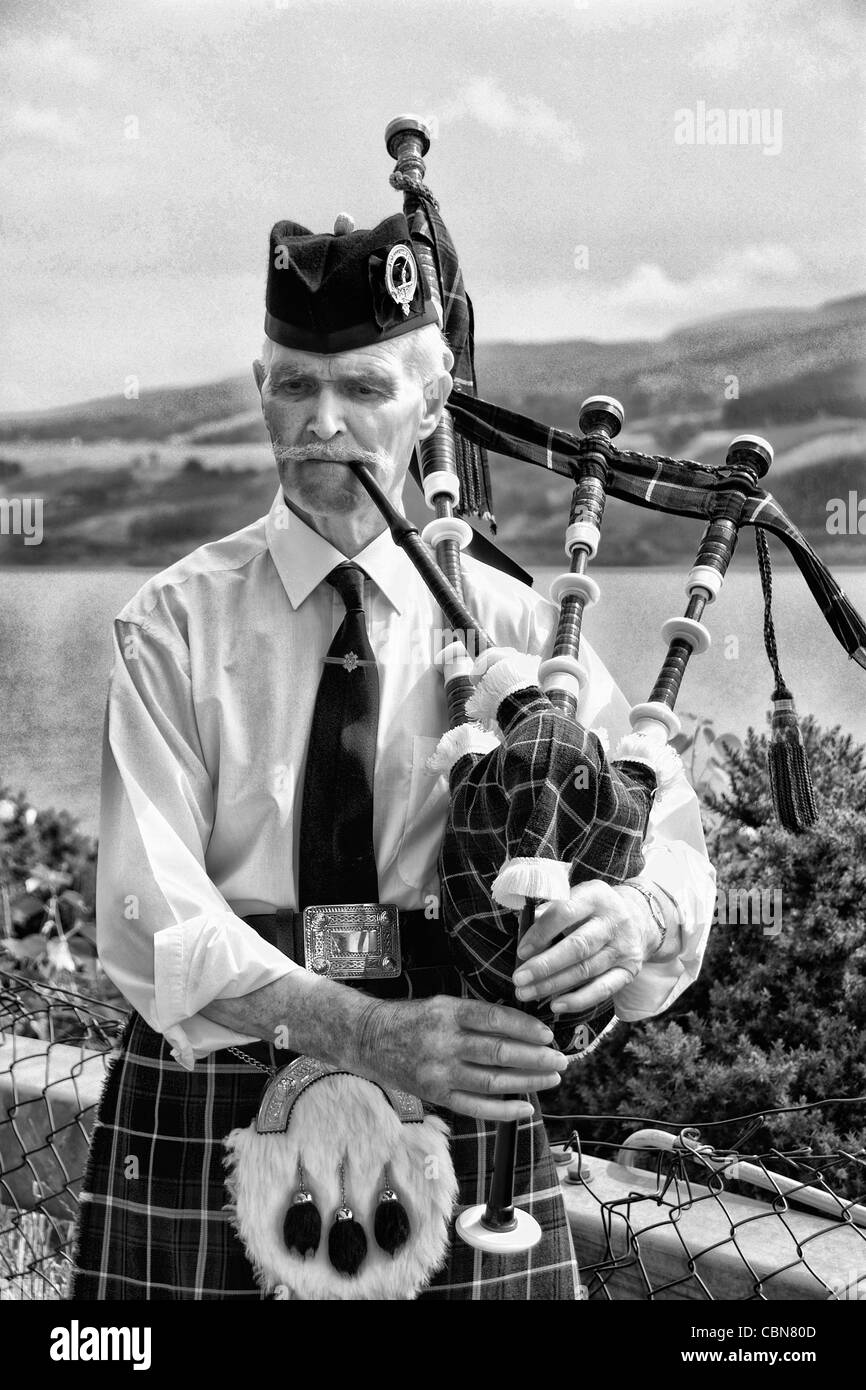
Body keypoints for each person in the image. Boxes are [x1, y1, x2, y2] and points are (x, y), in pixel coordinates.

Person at [69, 212, 716, 1300]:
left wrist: (629, 919)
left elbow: (675, 855)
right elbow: (149, 918)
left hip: (459, 1090)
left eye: (363, 390)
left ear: (431, 401)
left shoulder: (520, 631)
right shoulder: (171, 626)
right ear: (257, 383)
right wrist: (362, 1030)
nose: (321, 423)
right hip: (219, 1083)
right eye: (290, 386)